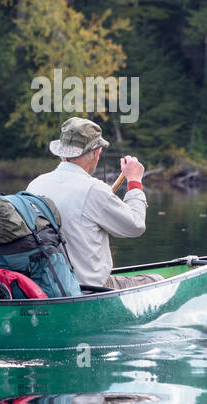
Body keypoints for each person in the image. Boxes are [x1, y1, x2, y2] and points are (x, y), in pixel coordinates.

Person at [26, 117, 159, 290]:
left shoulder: (35, 184)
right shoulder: (94, 190)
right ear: (97, 152)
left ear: (61, 153)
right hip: (87, 289)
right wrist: (134, 180)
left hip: (44, 288)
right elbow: (135, 226)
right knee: (156, 279)